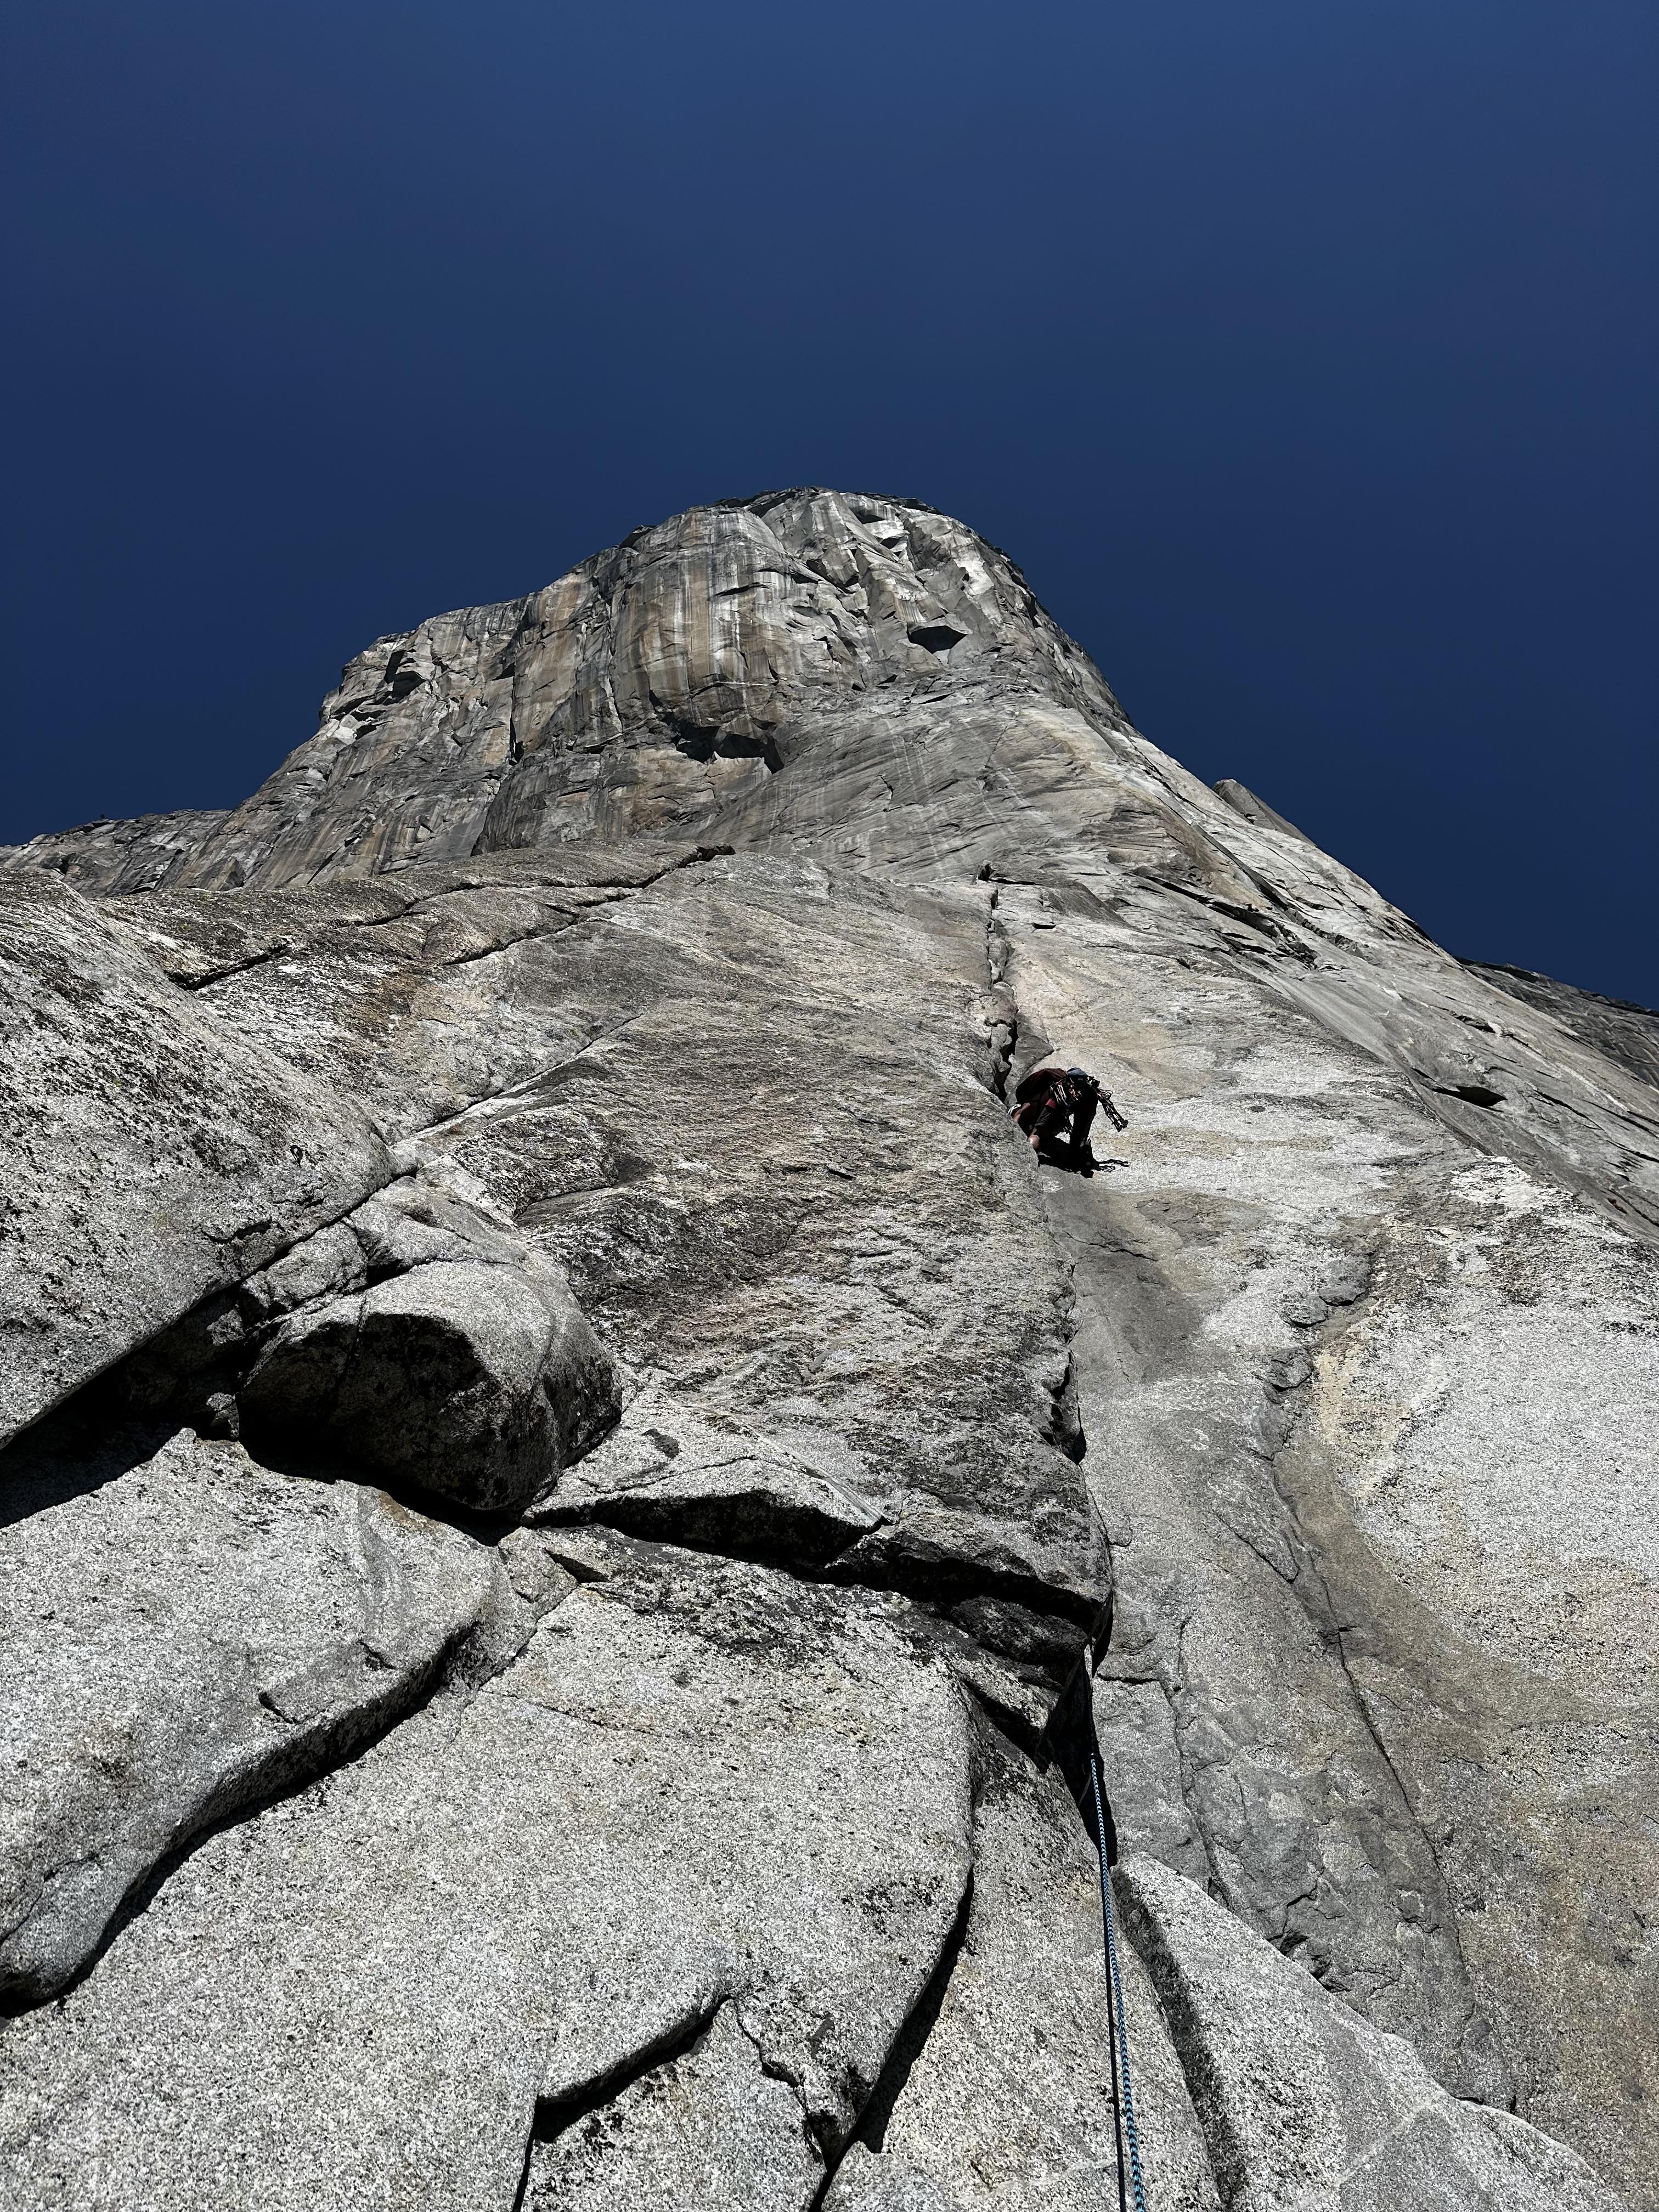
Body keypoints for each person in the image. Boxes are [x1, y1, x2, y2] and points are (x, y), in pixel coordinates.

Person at [1009, 1063, 1127, 1161]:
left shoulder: (1031, 1101)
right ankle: (1081, 1152)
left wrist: (1009, 1135)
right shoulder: (1087, 1091)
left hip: (1059, 1100)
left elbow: (1017, 1117)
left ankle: (1025, 1159)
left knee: (1037, 1135)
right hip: (1089, 1099)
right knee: (1077, 1142)